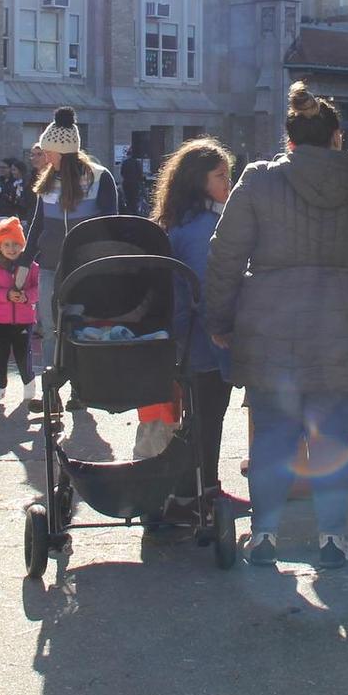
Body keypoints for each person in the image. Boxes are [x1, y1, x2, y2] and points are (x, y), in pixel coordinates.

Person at [206, 84, 348, 568]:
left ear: (289, 139)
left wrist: (219, 318)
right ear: (338, 136)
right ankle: (333, 537)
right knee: (334, 434)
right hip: (345, 322)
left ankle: (264, 535)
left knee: (273, 433)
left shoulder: (257, 180)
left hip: (271, 321)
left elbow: (225, 255)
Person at [150, 137, 242, 521]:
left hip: (181, 337)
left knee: (197, 419)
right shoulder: (204, 227)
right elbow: (210, 287)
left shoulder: (178, 220)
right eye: (220, 175)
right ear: (198, 180)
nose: (228, 183)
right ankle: (203, 493)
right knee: (208, 418)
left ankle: (195, 490)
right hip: (202, 341)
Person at [25, 107, 119, 368]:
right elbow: (37, 224)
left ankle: (80, 387)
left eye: (48, 151)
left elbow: (112, 224)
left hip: (84, 267)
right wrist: (24, 262)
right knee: (49, 326)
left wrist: (106, 264)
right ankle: (51, 382)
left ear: (62, 152)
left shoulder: (100, 178)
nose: (44, 156)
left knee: (80, 326)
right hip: (50, 264)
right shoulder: (46, 181)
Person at [0, 217, 38, 409]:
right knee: (1, 353)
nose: (11, 249)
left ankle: (29, 382)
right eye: (6, 244)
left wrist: (26, 297)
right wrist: (6, 295)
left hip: (24, 319)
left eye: (15, 244)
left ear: (22, 245)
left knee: (23, 353)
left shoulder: (31, 267)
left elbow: (39, 288)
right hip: (1, 320)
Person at [120, 142, 149, 216]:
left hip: (126, 184)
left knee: (128, 200)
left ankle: (129, 213)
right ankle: (135, 214)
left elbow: (122, 173)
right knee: (135, 200)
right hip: (135, 184)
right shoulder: (137, 163)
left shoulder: (125, 162)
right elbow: (140, 174)